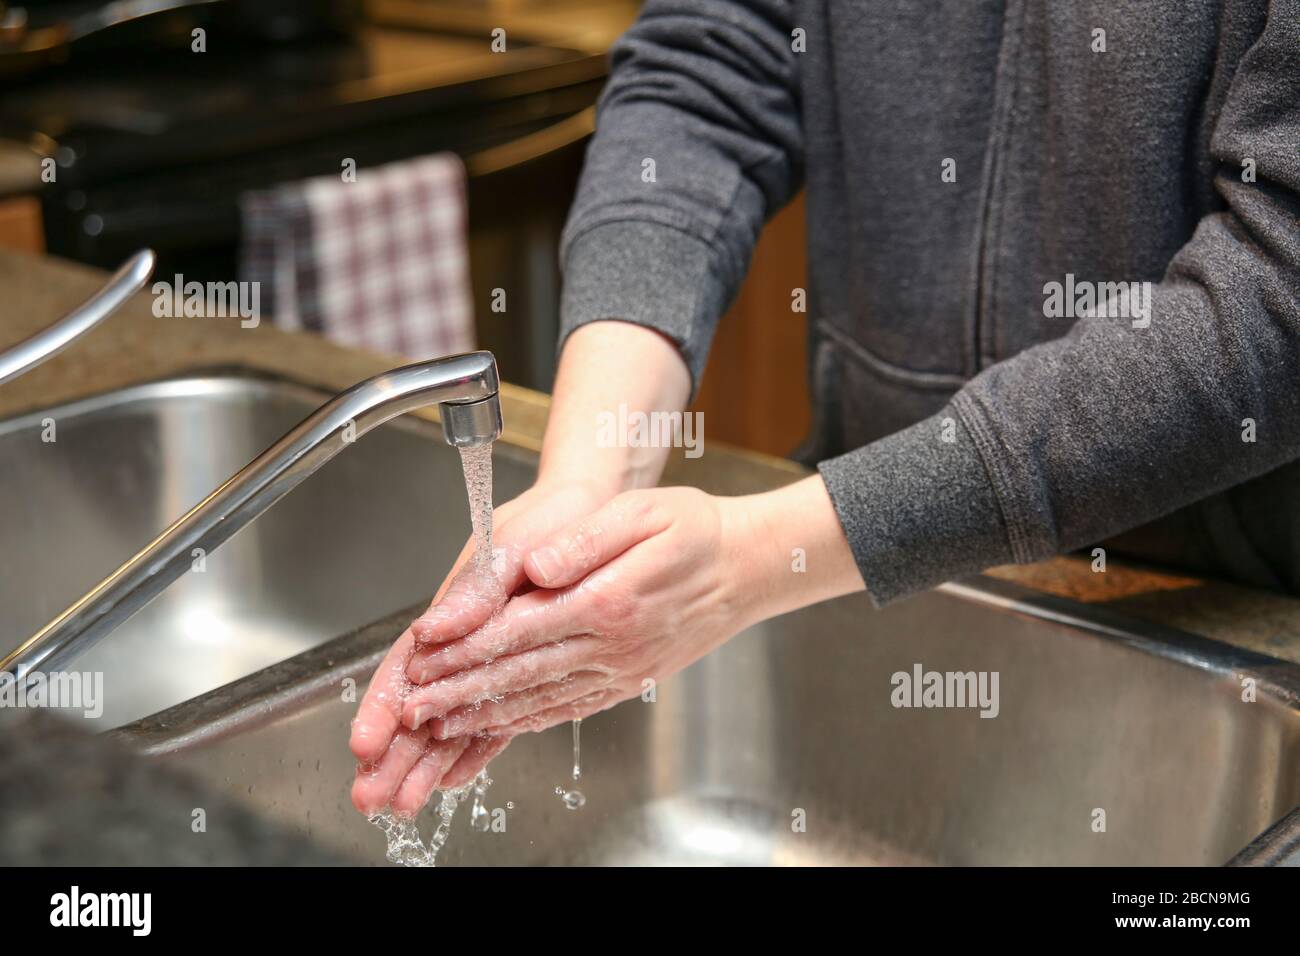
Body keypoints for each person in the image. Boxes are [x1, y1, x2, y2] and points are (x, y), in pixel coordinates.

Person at [349, 0, 1300, 816]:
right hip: (866, 571)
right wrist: (590, 475)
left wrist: (754, 560)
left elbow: (1279, 288)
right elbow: (708, 68)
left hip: (1237, 616)